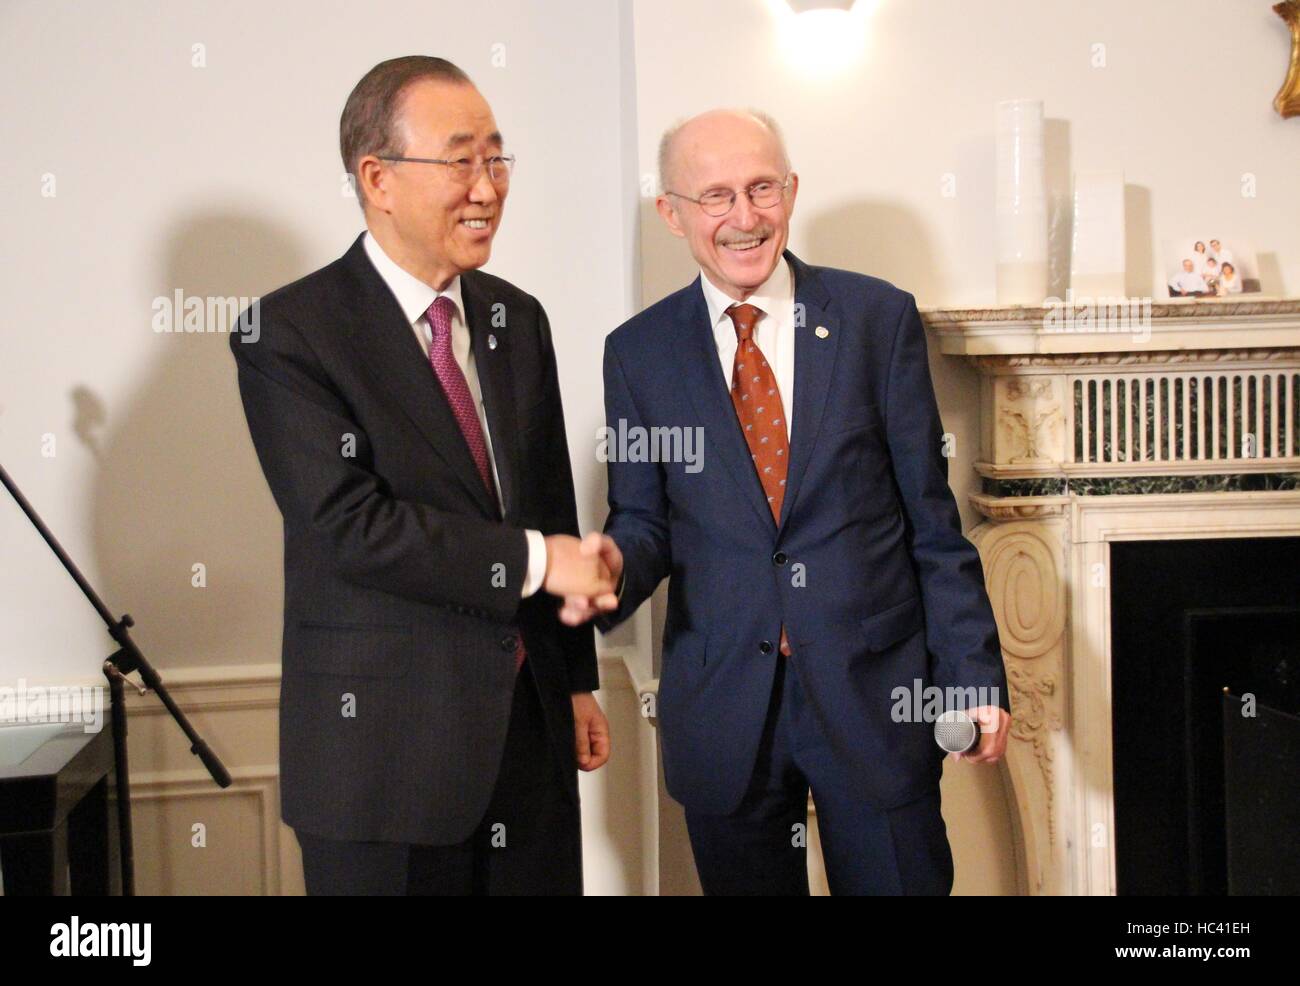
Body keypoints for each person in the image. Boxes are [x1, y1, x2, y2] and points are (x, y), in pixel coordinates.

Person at [563, 109, 1011, 895]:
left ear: (792, 191)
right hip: (724, 713)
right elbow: (644, 522)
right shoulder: (637, 353)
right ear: (672, 212)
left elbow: (931, 523)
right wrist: (609, 569)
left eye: (762, 188)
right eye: (716, 196)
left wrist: (972, 673)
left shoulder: (878, 320)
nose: (745, 217)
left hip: (877, 701)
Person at [229, 55, 613, 895]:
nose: (488, 186)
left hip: (530, 739)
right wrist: (547, 560)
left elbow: (545, 497)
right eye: (460, 159)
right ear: (378, 178)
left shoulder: (519, 318)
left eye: (497, 157)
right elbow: (349, 528)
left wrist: (576, 678)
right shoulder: (289, 333)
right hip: (382, 767)